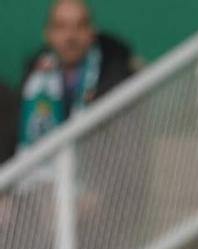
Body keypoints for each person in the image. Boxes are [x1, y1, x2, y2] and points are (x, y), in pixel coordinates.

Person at [15, 1, 136, 150]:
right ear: (48, 34)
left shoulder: (116, 77)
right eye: (61, 26)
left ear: (92, 32)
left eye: (80, 26)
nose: (70, 36)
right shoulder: (33, 82)